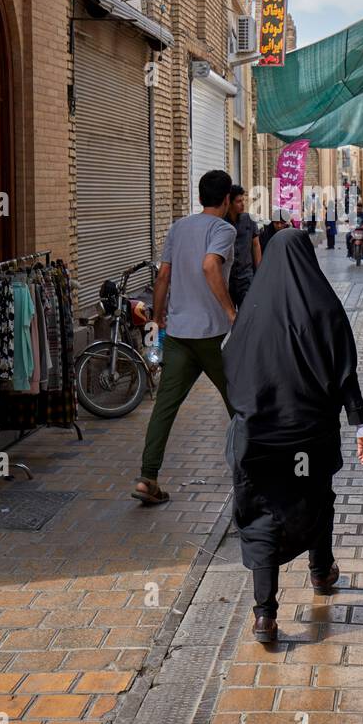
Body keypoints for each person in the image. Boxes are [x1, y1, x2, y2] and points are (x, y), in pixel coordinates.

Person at [223, 229, 363, 642]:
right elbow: (344, 369)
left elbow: (231, 366)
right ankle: (321, 571)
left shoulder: (251, 311)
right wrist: (360, 422)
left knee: (263, 515)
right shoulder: (322, 305)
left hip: (261, 438)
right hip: (310, 438)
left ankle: (264, 615)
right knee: (316, 499)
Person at [133, 169, 236, 505]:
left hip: (178, 333)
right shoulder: (223, 229)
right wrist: (231, 312)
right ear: (224, 200)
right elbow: (210, 266)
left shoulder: (178, 227)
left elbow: (163, 276)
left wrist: (160, 316)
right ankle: (253, 475)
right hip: (212, 335)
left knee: (164, 406)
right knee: (239, 403)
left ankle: (148, 478)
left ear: (200, 195)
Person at [226, 184, 261, 307]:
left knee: (247, 315)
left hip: (246, 277)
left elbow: (256, 246)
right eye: (238, 201)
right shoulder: (221, 223)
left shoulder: (249, 220)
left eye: (243, 200)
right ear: (229, 203)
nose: (243, 204)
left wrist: (259, 271)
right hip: (227, 279)